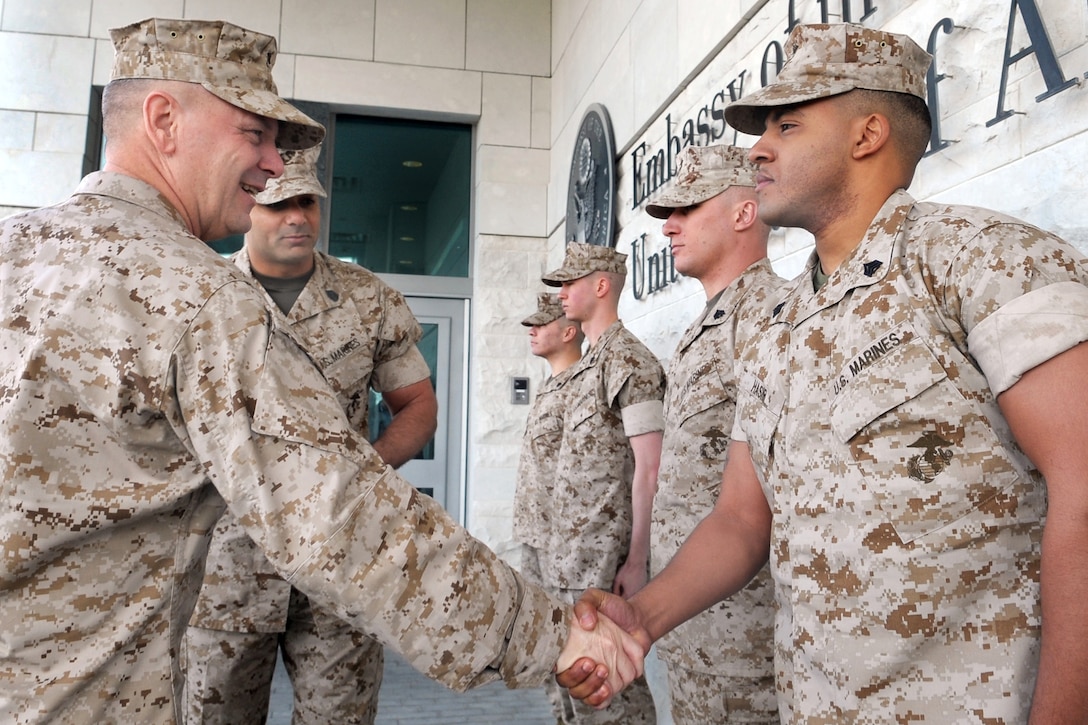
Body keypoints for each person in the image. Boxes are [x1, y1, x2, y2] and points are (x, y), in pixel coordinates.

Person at [0, 17, 640, 723]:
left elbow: (399, 422)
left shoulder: (12, 250)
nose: (277, 165)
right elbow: (336, 507)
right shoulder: (193, 292)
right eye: (254, 133)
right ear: (163, 119)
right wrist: (550, 633)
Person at [566, 22, 1088, 723]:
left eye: (787, 124)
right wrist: (641, 616)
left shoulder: (979, 262)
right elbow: (741, 520)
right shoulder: (780, 329)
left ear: (866, 134)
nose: (759, 148)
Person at [184, 145, 438, 724]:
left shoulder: (367, 299)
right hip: (225, 563)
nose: (298, 217)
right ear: (249, 204)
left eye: (307, 203)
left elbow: (417, 405)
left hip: (341, 562)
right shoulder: (200, 296)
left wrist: (362, 474)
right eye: (280, 204)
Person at [643, 143, 781, 724]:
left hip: (743, 643)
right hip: (694, 625)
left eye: (688, 209)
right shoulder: (706, 324)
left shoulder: (771, 316)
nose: (669, 227)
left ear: (744, 214)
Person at [538, 242, 665, 724]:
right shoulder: (588, 364)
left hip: (603, 566)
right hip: (570, 560)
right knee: (577, 694)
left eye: (571, 282)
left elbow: (650, 468)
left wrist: (637, 560)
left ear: (601, 285)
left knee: (612, 698)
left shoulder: (630, 361)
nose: (562, 292)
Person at [512, 292, 584, 589]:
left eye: (542, 325)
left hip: (565, 540)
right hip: (535, 530)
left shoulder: (582, 387)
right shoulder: (549, 386)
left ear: (568, 332)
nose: (533, 331)